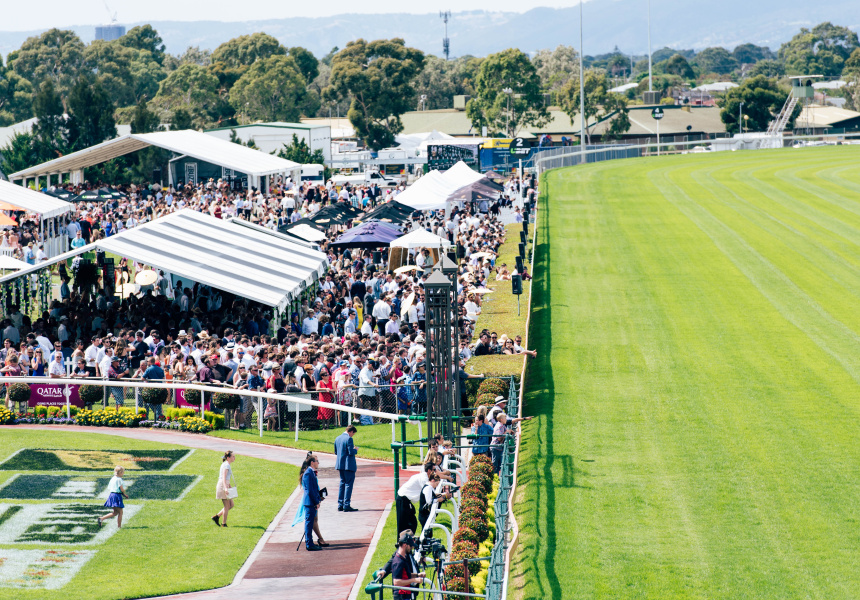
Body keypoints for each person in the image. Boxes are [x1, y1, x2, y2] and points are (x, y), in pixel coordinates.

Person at [391, 532, 426, 599]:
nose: (411, 548)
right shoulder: (398, 561)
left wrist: (418, 575)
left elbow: (406, 575)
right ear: (405, 545)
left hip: (406, 594)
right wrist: (414, 580)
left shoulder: (403, 558)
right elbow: (396, 582)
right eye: (410, 546)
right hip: (401, 596)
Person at [334, 425, 359, 512]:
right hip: (348, 465)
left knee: (342, 484)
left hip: (340, 465)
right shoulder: (349, 439)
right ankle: (346, 504)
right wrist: (356, 449)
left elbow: (336, 452)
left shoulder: (337, 438)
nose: (352, 436)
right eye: (353, 434)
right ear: (351, 431)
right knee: (348, 484)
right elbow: (351, 452)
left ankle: (340, 504)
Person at [301, 454, 323, 551]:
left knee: (310, 522)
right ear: (312, 462)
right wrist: (316, 502)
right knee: (309, 523)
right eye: (317, 461)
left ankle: (310, 542)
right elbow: (310, 490)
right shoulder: (308, 473)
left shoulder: (311, 472)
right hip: (310, 502)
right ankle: (309, 544)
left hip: (311, 502)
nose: (318, 463)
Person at [213, 450, 236, 527]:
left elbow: (226, 478)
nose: (234, 458)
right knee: (227, 506)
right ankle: (224, 523)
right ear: (228, 457)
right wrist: (226, 488)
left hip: (224, 484)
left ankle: (217, 516)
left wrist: (229, 486)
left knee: (231, 505)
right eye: (233, 456)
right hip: (222, 486)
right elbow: (223, 477)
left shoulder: (226, 464)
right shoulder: (226, 465)